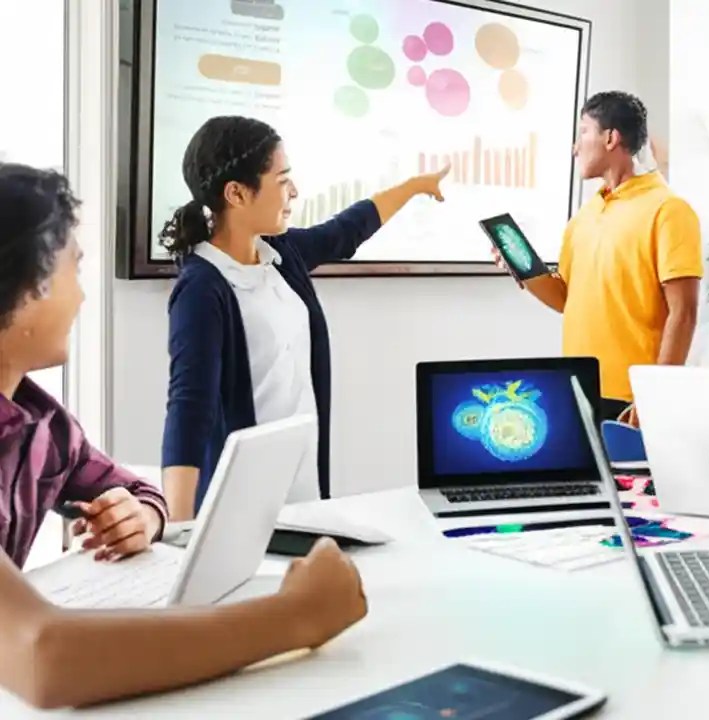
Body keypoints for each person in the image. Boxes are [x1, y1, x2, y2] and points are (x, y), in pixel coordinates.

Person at [0, 163, 366, 710]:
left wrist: (142, 516)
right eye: (74, 267)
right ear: (27, 287)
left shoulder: (44, 427)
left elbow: (137, 490)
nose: (81, 298)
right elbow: (44, 656)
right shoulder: (202, 285)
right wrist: (297, 616)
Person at [160, 116, 450, 520]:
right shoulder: (202, 287)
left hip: (305, 495)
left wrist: (413, 187)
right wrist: (178, 527)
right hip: (242, 508)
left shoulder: (282, 254)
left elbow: (346, 231)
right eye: (282, 180)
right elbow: (189, 408)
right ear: (236, 193)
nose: (294, 191)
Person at [497, 92, 702, 425]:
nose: (575, 147)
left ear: (610, 138)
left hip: (632, 397)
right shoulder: (584, 216)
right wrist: (522, 268)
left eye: (583, 132)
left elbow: (684, 312)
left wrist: (655, 396)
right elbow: (565, 298)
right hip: (578, 388)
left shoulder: (669, 210)